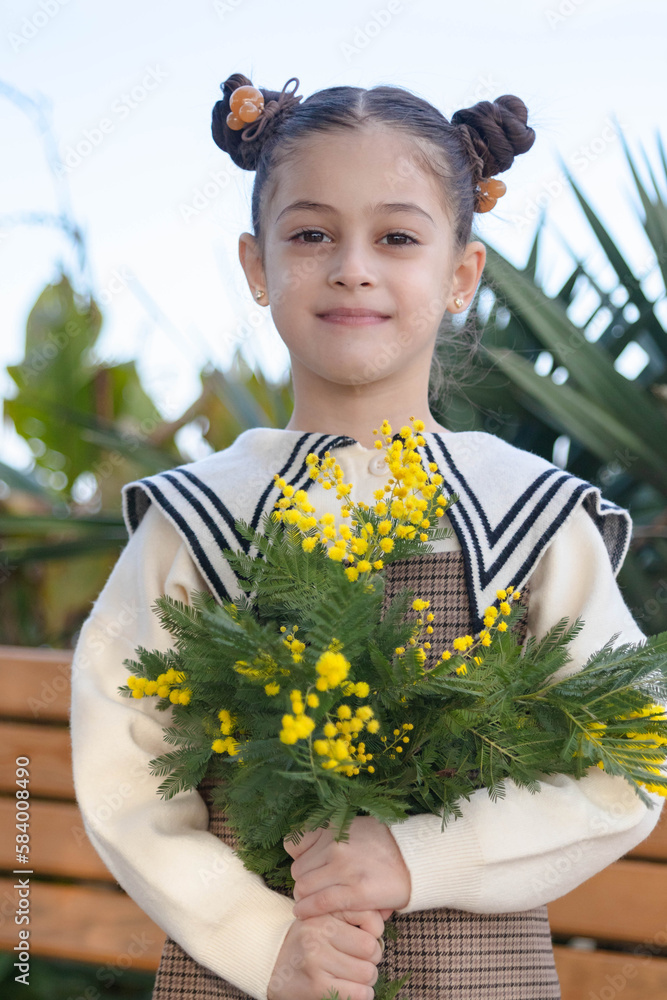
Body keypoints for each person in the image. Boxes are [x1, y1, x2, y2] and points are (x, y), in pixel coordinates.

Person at [69, 72, 665, 1000]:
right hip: (248, 977)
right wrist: (266, 944)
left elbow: (631, 758)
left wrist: (422, 856)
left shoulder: (530, 512)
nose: (352, 266)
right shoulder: (199, 517)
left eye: (396, 237)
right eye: (310, 235)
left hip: (479, 974)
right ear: (257, 266)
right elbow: (125, 775)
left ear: (459, 273)